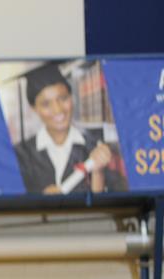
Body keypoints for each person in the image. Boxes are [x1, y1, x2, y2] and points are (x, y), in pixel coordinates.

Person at [13, 63, 127, 196]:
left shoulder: (95, 147)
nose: (58, 109)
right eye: (46, 104)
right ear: (34, 108)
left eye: (63, 98)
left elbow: (111, 205)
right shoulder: (21, 155)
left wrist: (97, 173)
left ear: (72, 97)